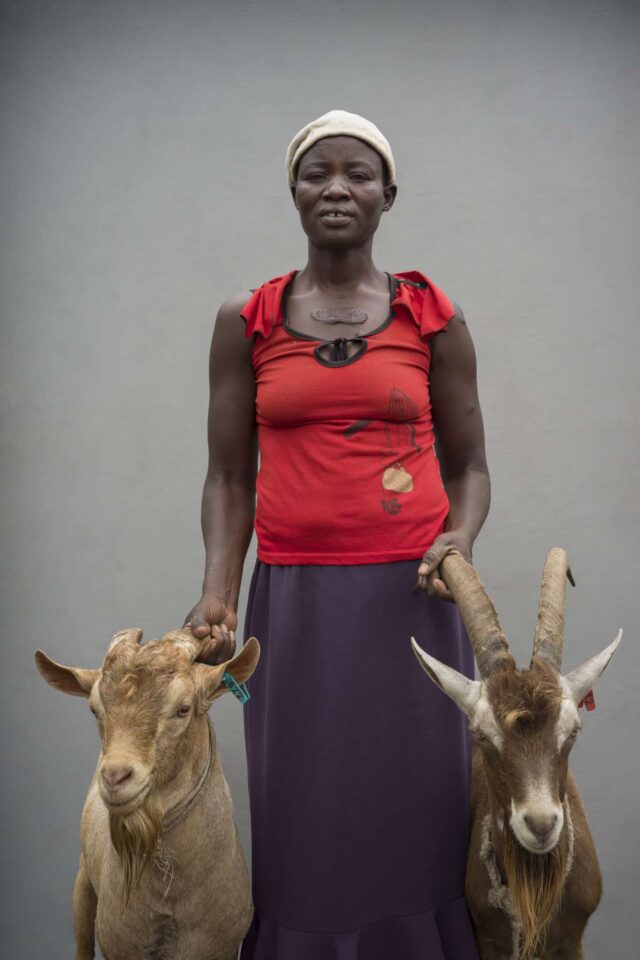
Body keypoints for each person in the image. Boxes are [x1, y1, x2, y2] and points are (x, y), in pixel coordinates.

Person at [185, 110, 489, 958]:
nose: (337, 188)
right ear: (294, 191)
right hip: (291, 603)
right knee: (301, 807)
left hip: (419, 605)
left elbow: (470, 466)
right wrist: (217, 591)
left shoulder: (431, 316)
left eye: (359, 173)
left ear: (389, 195)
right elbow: (226, 476)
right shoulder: (247, 319)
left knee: (420, 802)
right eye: (318, 173)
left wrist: (458, 538)